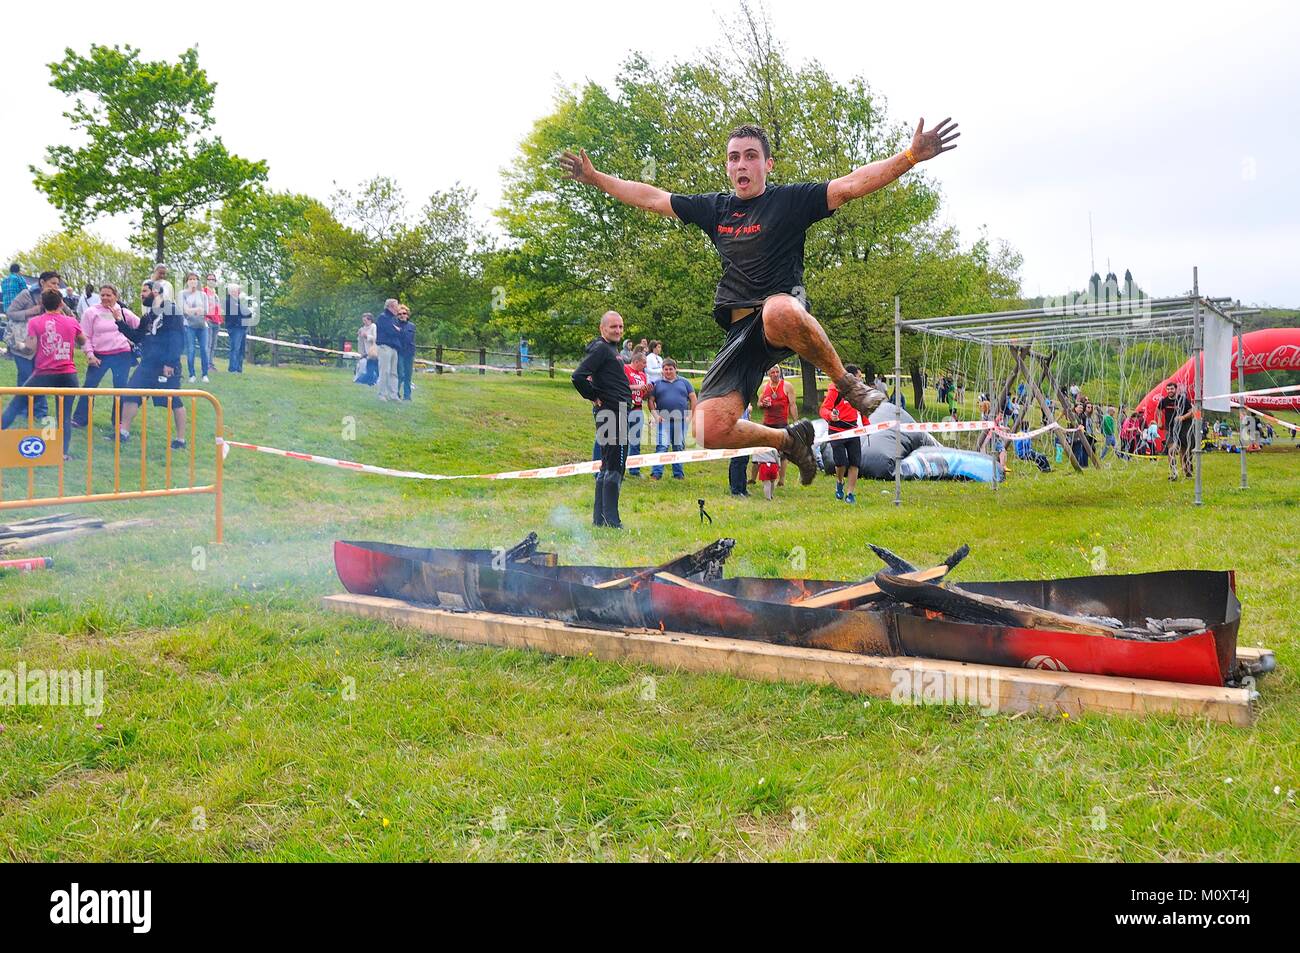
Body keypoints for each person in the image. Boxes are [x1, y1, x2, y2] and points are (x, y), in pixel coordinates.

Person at [559, 115, 959, 484]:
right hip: (740, 334)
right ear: (728, 166)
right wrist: (597, 179)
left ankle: (847, 383)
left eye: (751, 156)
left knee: (778, 308)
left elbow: (851, 185)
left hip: (782, 316)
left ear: (767, 164)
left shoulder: (791, 200)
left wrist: (909, 156)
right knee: (706, 427)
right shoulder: (715, 208)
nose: (741, 165)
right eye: (734, 158)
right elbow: (651, 198)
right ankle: (790, 441)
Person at [1, 288, 91, 458]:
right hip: (68, 375)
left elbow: (30, 349)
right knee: (64, 416)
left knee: (16, 403)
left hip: (43, 373)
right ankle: (62, 454)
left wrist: (17, 345)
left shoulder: (35, 322)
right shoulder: (72, 321)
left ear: (42, 304)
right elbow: (82, 341)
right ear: (61, 303)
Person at [571, 310, 633, 529]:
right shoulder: (600, 349)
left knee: (607, 465)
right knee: (616, 466)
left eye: (620, 326)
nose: (618, 330)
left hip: (616, 411)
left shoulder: (610, 349)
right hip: (612, 412)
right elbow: (578, 376)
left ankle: (600, 519)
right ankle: (612, 521)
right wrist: (594, 396)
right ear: (602, 328)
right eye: (613, 327)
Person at [114, 286, 187, 449]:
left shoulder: (172, 311)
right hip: (147, 364)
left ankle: (180, 440)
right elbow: (137, 336)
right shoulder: (148, 316)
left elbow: (177, 339)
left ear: (156, 292)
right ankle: (123, 432)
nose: (141, 294)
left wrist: (170, 363)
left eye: (144, 291)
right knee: (131, 393)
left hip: (166, 365)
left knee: (173, 400)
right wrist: (119, 321)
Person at [5, 272, 74, 425]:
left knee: (38, 377)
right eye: (53, 283)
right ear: (42, 282)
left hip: (42, 347)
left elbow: (70, 315)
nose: (56, 287)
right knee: (26, 376)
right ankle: (24, 411)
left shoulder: (57, 297)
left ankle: (38, 411)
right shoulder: (26, 294)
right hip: (22, 343)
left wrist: (62, 311)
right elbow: (10, 312)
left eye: (57, 284)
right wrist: (32, 311)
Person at [71, 284, 140, 430]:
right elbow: (85, 336)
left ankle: (119, 421)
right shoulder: (91, 312)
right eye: (102, 295)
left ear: (116, 296)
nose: (105, 298)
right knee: (89, 387)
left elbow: (140, 327)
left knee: (120, 388)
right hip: (99, 356)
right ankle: (80, 419)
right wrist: (90, 355)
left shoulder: (124, 312)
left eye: (109, 295)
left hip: (122, 354)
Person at [820, 364, 864, 504]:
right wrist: (830, 415)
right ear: (851, 377)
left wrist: (867, 427)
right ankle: (839, 482)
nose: (860, 380)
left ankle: (850, 494)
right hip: (837, 431)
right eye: (859, 377)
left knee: (855, 463)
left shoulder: (858, 391)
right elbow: (824, 409)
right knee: (840, 462)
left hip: (853, 430)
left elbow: (863, 409)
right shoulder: (835, 389)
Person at [647, 358, 696, 480]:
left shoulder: (685, 382)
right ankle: (656, 473)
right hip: (663, 421)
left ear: (675, 369)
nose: (668, 371)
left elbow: (693, 399)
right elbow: (650, 401)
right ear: (662, 370)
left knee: (678, 447)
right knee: (662, 446)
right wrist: (656, 416)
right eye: (665, 369)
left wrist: (691, 416)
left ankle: (678, 474)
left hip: (681, 421)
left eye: (670, 369)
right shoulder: (657, 384)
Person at [754, 363, 794, 486]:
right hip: (767, 423)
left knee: (783, 453)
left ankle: (781, 480)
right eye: (773, 372)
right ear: (768, 374)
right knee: (761, 451)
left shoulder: (787, 386)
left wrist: (796, 421)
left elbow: (793, 404)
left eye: (777, 372)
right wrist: (763, 404)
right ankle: (753, 478)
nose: (775, 374)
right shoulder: (764, 387)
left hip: (782, 424)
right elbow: (758, 404)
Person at [1157, 381, 1194, 480]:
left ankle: (1187, 471)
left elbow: (1192, 412)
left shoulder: (1183, 400)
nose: (1170, 391)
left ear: (1176, 389)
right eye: (1168, 389)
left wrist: (1183, 417)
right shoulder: (1163, 401)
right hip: (1170, 429)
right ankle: (1173, 473)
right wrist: (1160, 421)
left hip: (1183, 428)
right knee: (1171, 449)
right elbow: (1159, 410)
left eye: (1172, 389)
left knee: (1185, 451)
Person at [179, 272, 211, 383]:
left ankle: (205, 374)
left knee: (204, 350)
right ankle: (192, 374)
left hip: (202, 326)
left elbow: (206, 310)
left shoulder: (203, 295)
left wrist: (193, 310)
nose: (193, 281)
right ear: (187, 281)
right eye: (190, 279)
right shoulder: (182, 294)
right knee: (191, 350)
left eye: (195, 279)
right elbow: (184, 310)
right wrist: (197, 309)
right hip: (189, 326)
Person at [623, 347, 649, 475]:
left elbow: (643, 394)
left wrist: (645, 391)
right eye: (644, 363)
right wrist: (637, 387)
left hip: (638, 408)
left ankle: (634, 470)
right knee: (621, 440)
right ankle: (620, 468)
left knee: (636, 441)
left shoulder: (643, 375)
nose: (645, 366)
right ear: (637, 361)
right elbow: (622, 387)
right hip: (626, 407)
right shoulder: (625, 369)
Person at [373, 299, 401, 401]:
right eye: (396, 306)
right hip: (385, 347)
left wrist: (396, 330)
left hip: (394, 348)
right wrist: (396, 330)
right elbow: (390, 331)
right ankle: (382, 394)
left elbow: (399, 332)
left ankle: (394, 395)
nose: (397, 308)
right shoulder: (383, 317)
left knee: (394, 372)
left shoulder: (394, 319)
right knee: (384, 371)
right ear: (390, 307)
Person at [223, 284, 252, 372]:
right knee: (235, 348)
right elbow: (238, 313)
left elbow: (248, 313)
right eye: (236, 291)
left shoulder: (239, 302)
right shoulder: (228, 302)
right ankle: (232, 368)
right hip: (235, 328)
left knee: (241, 349)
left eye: (238, 291)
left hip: (242, 328)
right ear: (231, 292)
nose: (238, 293)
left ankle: (239, 368)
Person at [202, 273, 222, 369]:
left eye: (213, 280)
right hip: (208, 320)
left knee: (213, 345)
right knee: (208, 344)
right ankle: (206, 364)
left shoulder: (215, 294)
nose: (211, 281)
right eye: (209, 279)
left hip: (216, 321)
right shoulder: (203, 292)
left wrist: (219, 319)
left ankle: (210, 363)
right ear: (206, 280)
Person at [396, 305, 416, 401]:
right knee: (400, 374)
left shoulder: (412, 326)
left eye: (404, 313)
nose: (402, 315)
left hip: (409, 353)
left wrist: (400, 331)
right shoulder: (395, 324)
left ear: (407, 315)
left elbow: (409, 338)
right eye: (399, 314)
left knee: (408, 375)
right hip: (399, 352)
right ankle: (395, 393)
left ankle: (407, 396)